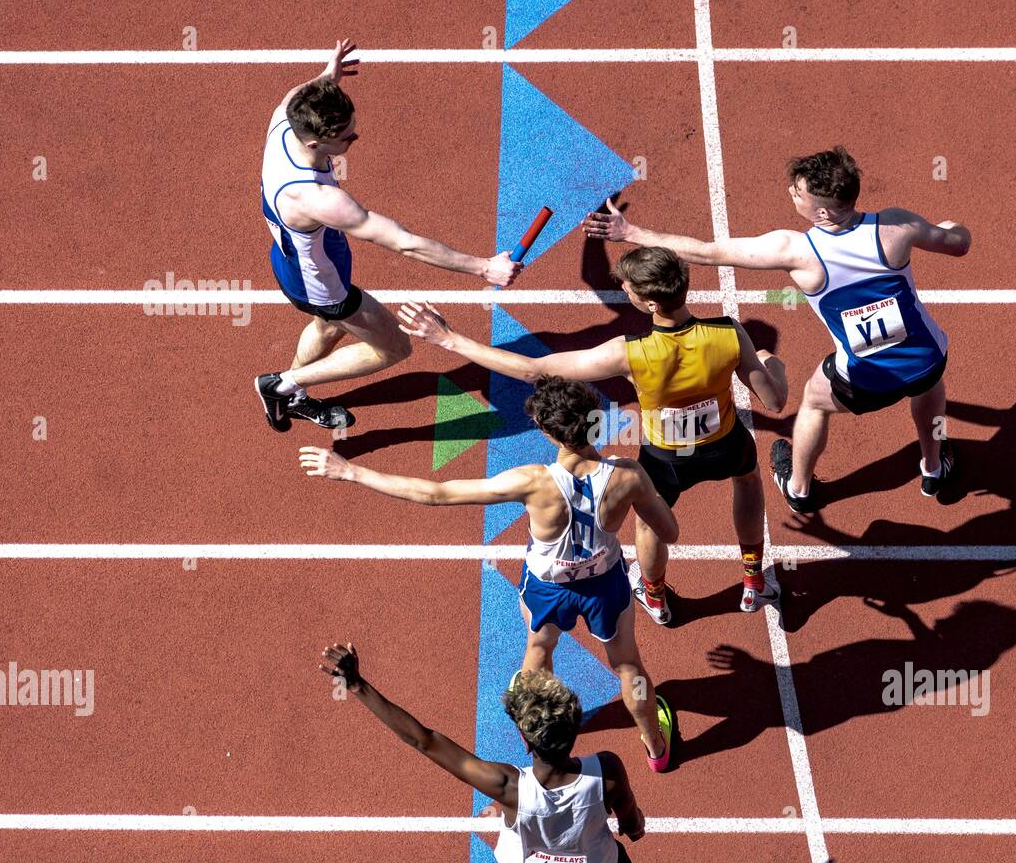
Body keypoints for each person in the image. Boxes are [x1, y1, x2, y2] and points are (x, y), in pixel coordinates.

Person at [300, 376, 681, 771]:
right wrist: (642, 500)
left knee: (539, 650)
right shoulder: (629, 475)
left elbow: (436, 494)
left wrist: (351, 472)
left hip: (548, 588)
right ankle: (656, 749)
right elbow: (668, 532)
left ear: (548, 431)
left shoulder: (532, 482)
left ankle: (533, 729)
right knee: (628, 667)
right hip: (604, 585)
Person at [395, 246, 788, 626]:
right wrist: (774, 365)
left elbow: (533, 371)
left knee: (648, 524)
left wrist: (449, 340)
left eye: (629, 289)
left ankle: (654, 597)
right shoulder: (729, 333)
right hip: (726, 444)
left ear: (651, 303)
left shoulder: (629, 352)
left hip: (666, 458)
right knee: (748, 481)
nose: (625, 291)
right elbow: (774, 401)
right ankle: (754, 581)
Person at [584, 145, 970, 513]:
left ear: (822, 213)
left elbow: (707, 252)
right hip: (926, 357)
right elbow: (958, 244)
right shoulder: (895, 226)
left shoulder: (797, 251)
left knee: (815, 402)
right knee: (929, 386)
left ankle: (798, 488)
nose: (791, 194)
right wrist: (954, 227)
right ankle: (933, 469)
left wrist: (632, 233)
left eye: (798, 193)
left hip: (865, 379)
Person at [255, 38, 521, 433]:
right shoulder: (318, 199)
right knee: (394, 348)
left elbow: (302, 94)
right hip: (320, 282)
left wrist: (328, 76)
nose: (354, 139)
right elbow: (404, 242)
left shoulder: (286, 114)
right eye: (347, 138)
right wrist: (484, 268)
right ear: (315, 143)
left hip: (290, 260)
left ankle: (292, 394)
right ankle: (281, 385)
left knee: (327, 326)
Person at [318, 644, 645, 863]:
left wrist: (358, 685)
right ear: (574, 729)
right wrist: (633, 828)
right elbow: (632, 825)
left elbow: (424, 741)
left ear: (525, 741)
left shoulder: (507, 787)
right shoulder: (608, 770)